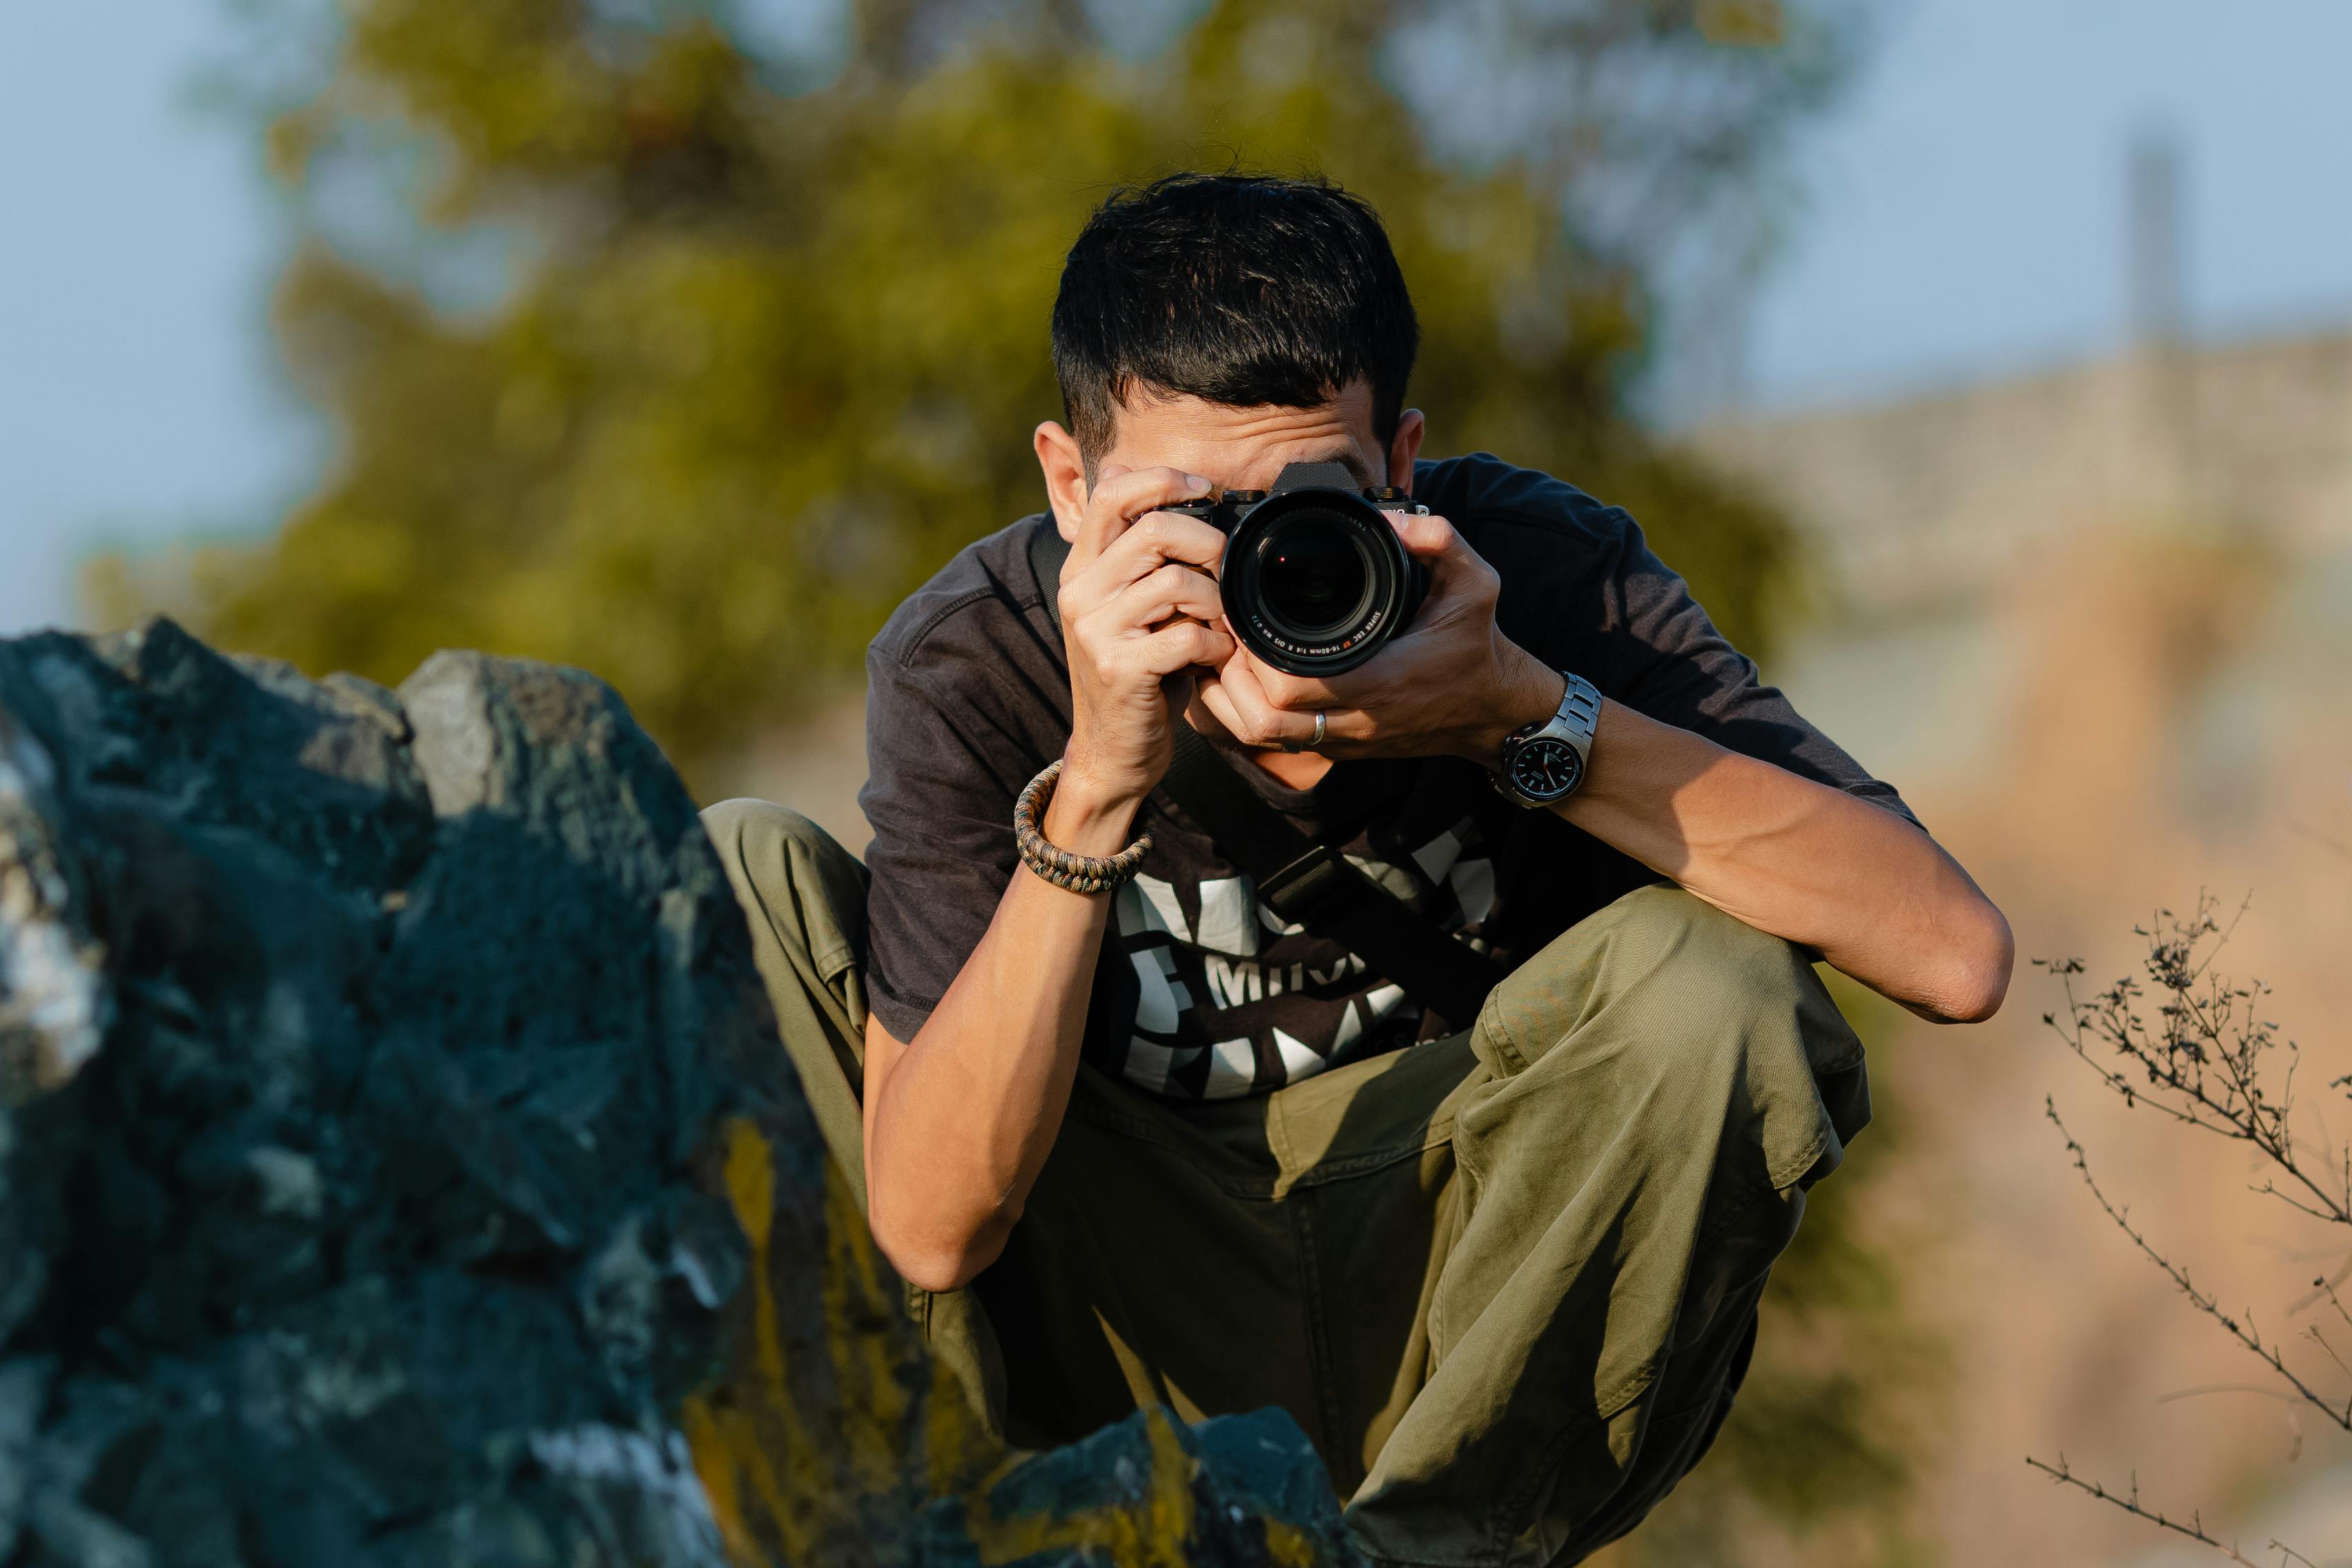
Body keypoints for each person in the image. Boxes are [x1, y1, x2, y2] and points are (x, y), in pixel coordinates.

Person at [702, 171, 2011, 1567]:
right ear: (1071, 485)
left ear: (1401, 465)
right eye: (1189, 512)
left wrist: (1521, 710)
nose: (1256, 561)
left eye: (1308, 503)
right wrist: (1092, 793)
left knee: (1717, 979)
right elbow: (931, 1230)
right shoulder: (979, 657)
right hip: (1114, 1308)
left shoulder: (1524, 580)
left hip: (1470, 1325)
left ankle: (1421, 1554)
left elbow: (1954, 954)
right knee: (737, 872)